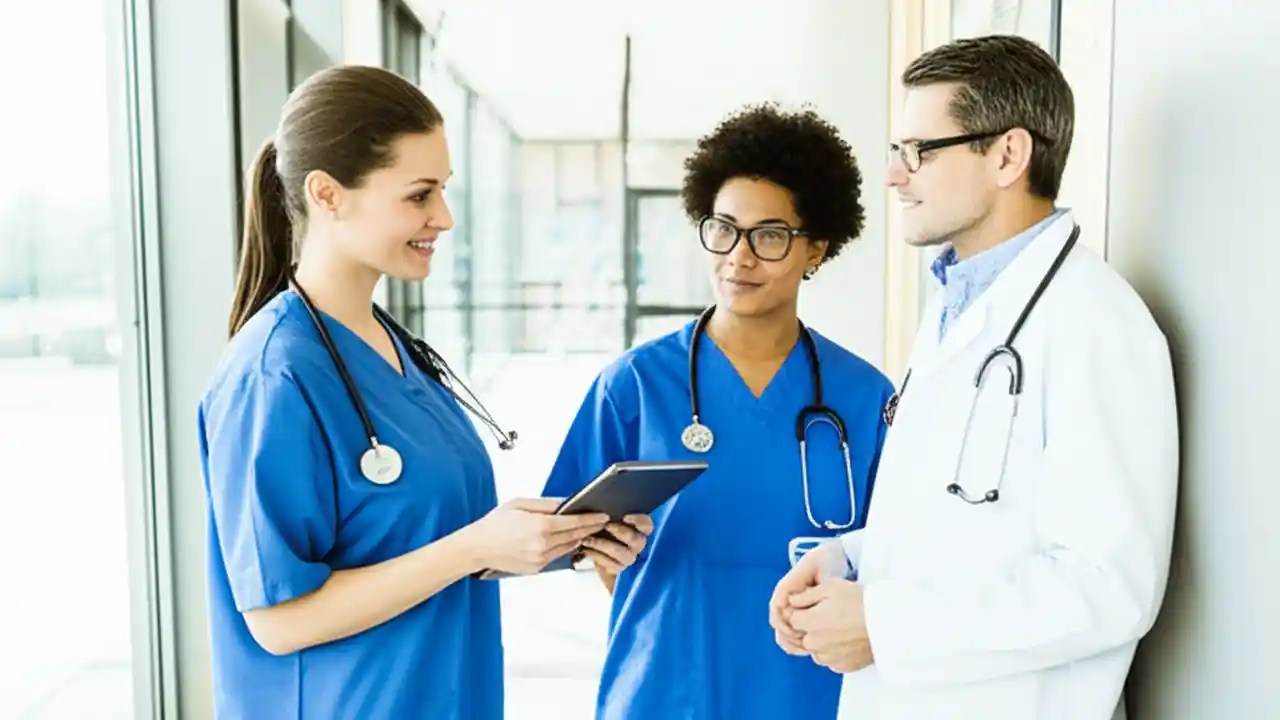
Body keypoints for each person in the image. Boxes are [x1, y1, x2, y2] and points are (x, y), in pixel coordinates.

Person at [769, 35, 1179, 720]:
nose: (896, 177)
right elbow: (964, 521)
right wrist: (849, 558)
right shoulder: (961, 306)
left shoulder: (1098, 324)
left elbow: (1108, 587)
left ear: (1008, 155)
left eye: (918, 152)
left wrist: (884, 624)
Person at [197, 65, 610, 720]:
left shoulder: (393, 346)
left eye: (443, 191)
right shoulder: (273, 375)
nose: (443, 218)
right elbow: (277, 620)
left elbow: (420, 544)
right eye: (419, 195)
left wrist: (545, 541)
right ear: (328, 195)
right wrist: (474, 547)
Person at [543, 104, 894, 719]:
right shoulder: (634, 386)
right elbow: (573, 538)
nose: (739, 256)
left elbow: (897, 558)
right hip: (663, 690)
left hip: (810, 692)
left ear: (816, 247)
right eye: (724, 228)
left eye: (770, 236)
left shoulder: (866, 398)